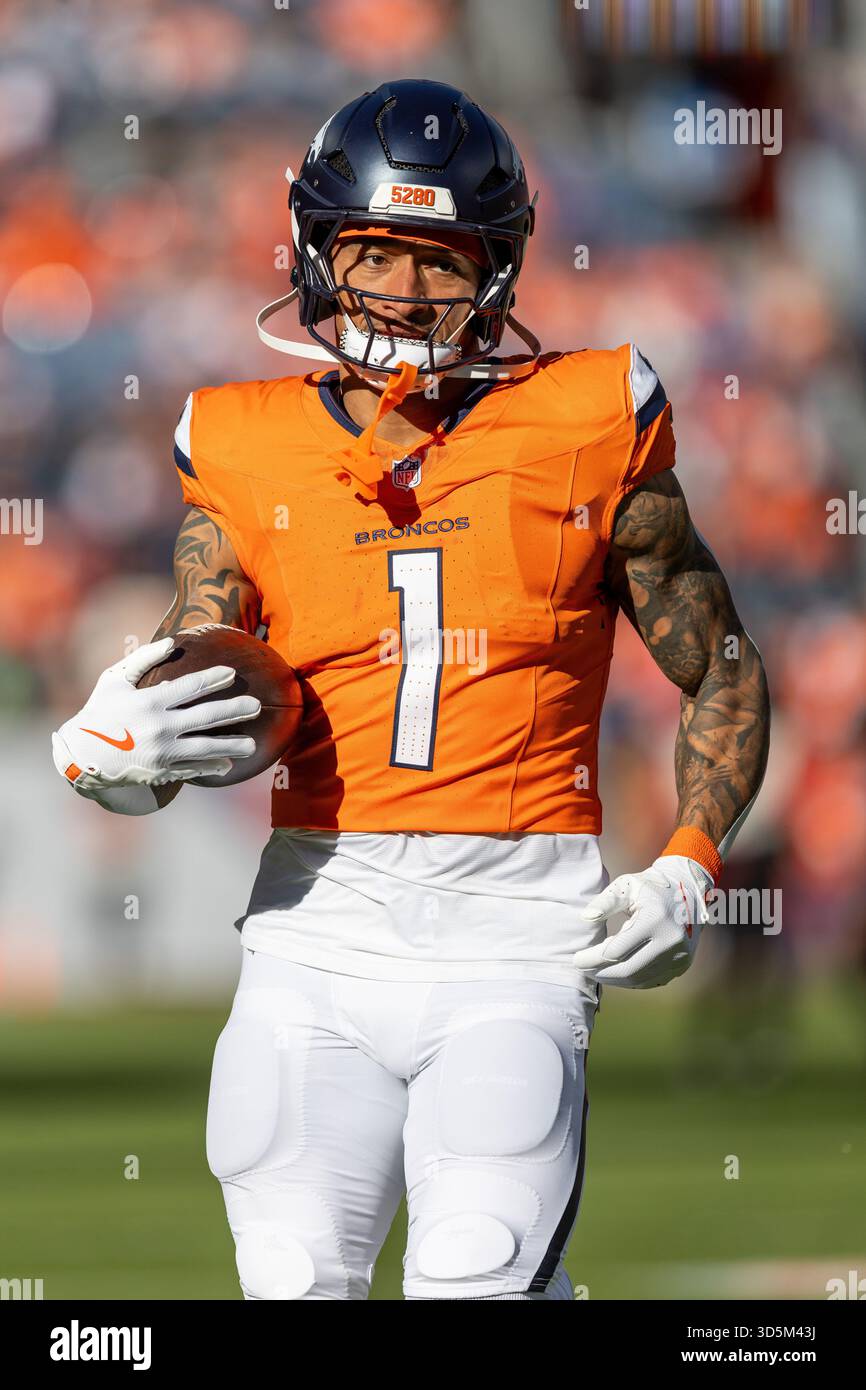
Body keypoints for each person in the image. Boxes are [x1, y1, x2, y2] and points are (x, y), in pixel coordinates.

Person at [51, 79, 770, 1301]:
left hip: (517, 941)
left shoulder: (593, 419)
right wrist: (108, 754)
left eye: (441, 258)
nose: (404, 290)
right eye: (375, 251)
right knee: (289, 1284)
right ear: (317, 255)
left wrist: (688, 862)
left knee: (473, 1280)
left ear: (497, 268)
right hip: (311, 941)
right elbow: (192, 691)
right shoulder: (241, 441)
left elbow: (722, 669)